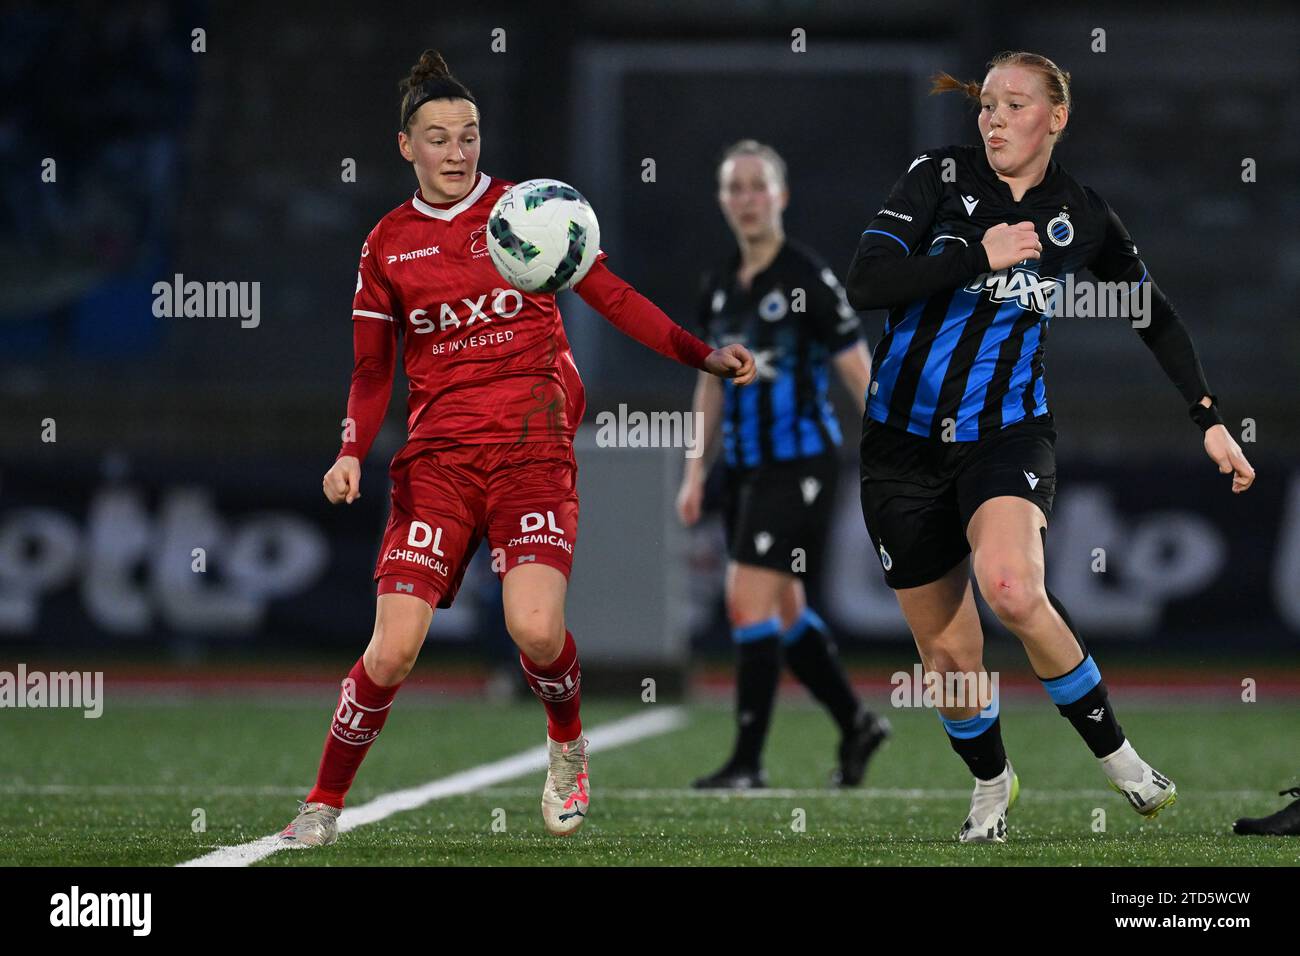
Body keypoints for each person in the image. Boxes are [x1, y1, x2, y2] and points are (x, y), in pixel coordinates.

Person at [278, 50, 755, 847]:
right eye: (438, 138)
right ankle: (322, 804)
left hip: (532, 451)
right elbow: (372, 367)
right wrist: (351, 450)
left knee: (536, 632)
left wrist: (699, 353)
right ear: (406, 146)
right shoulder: (387, 246)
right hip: (438, 463)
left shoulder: (531, 212)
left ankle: (567, 748)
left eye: (468, 135)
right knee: (391, 651)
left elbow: (612, 295)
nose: (457, 152)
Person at [846, 51, 1255, 842]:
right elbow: (866, 281)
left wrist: (1207, 416)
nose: (993, 119)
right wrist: (976, 254)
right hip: (899, 448)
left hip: (1006, 434)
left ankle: (1122, 760)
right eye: (986, 105)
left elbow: (1154, 314)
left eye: (1014, 104)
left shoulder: (1083, 217)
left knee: (1011, 588)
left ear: (1056, 118)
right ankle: (993, 786)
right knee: (950, 657)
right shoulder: (938, 177)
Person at [678, 140, 890, 790]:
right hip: (744, 468)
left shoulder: (807, 278)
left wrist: (900, 449)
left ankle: (748, 763)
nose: (746, 198)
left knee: (746, 602)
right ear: (722, 200)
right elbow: (710, 384)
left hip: (800, 463)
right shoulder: (717, 286)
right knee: (786, 611)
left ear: (781, 196)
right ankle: (857, 724)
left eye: (757, 186)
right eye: (734, 187)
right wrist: (695, 471)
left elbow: (859, 371)